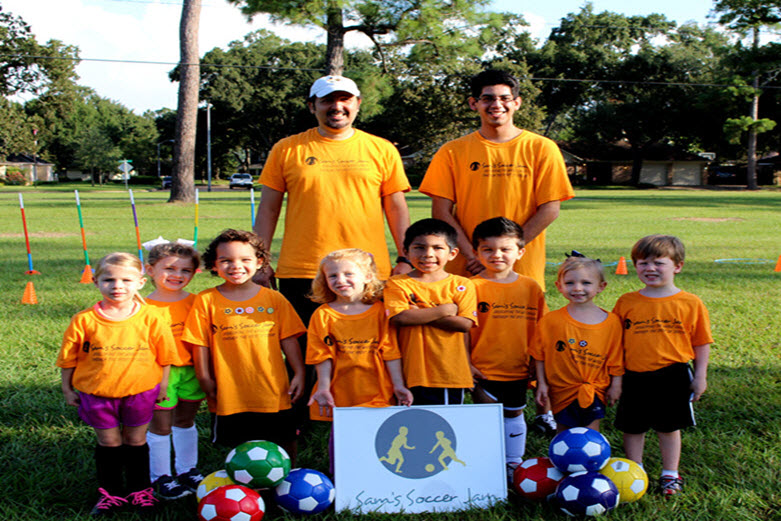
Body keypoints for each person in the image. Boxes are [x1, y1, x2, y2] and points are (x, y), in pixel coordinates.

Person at [254, 74, 411, 325]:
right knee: (306, 355)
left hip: (367, 270)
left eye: (344, 99)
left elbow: (396, 209)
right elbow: (268, 210)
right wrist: (258, 262)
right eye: (327, 100)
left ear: (358, 103)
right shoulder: (287, 149)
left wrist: (405, 259)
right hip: (303, 270)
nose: (337, 106)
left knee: (369, 352)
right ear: (312, 106)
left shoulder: (382, 149)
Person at [419, 69, 575, 291]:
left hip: (521, 265)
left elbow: (549, 209)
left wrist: (507, 252)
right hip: (468, 266)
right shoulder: (452, 151)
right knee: (465, 323)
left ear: (517, 103)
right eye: (488, 98)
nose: (497, 104)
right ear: (474, 103)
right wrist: (474, 255)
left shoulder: (542, 148)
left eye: (505, 98)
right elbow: (441, 213)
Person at [57, 253, 176, 516]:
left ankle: (140, 491)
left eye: (126, 279)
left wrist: (163, 387)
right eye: (108, 279)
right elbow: (69, 358)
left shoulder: (152, 317)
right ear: (95, 282)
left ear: (141, 282)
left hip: (141, 392)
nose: (117, 285)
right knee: (109, 442)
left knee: (136, 440)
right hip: (98, 393)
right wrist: (67, 388)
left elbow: (165, 356)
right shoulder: (84, 320)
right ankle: (110, 494)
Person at [181, 229, 306, 459]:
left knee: (284, 442)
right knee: (239, 451)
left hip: (273, 390)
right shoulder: (206, 300)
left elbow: (288, 338)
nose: (235, 266)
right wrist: (204, 378)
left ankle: (287, 482)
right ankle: (243, 490)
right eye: (226, 260)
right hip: (229, 393)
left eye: (245, 260)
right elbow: (200, 343)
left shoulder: (273, 298)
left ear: (259, 262)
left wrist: (298, 372)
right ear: (213, 264)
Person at [612, 235, 712, 497]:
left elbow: (702, 343)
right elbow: (614, 342)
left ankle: (670, 474)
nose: (650, 268)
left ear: (677, 266)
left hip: (673, 374)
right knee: (633, 426)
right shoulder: (626, 302)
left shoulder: (690, 303)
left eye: (659, 263)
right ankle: (636, 471)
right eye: (642, 263)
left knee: (668, 426)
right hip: (634, 374)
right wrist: (616, 379)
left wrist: (700, 376)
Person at [466, 217, 547, 475]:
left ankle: (513, 462)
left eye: (505, 249)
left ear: (520, 252)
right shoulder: (469, 287)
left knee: (514, 413)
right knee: (486, 417)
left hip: (517, 366)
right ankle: (487, 464)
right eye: (487, 249)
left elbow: (540, 329)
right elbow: (463, 330)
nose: (496, 255)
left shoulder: (531, 287)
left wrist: (536, 360)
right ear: (476, 252)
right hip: (481, 368)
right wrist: (465, 363)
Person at [306, 248, 413, 420]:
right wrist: (323, 388)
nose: (341, 280)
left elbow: (390, 351)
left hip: (378, 392)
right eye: (333, 276)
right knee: (342, 443)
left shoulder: (380, 312)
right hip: (340, 392)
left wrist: (398, 385)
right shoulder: (322, 315)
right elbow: (321, 355)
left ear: (367, 277)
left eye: (349, 274)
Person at [383, 218, 477, 406]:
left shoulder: (462, 284)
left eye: (437, 248)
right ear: (406, 252)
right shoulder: (397, 283)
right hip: (408, 371)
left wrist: (420, 313)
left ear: (452, 253)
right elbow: (400, 318)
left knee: (443, 430)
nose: (428, 254)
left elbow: (464, 324)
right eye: (419, 247)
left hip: (447, 373)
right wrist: (445, 310)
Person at [530, 255, 623, 435]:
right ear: (559, 286)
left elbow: (616, 357)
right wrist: (541, 383)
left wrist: (616, 384)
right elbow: (539, 355)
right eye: (570, 283)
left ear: (601, 287)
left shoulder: (612, 322)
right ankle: (561, 462)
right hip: (561, 389)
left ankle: (591, 462)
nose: (578, 288)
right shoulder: (550, 321)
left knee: (589, 434)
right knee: (563, 432)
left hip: (594, 389)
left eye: (586, 283)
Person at [143, 241, 204, 500]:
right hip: (159, 374)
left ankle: (187, 469)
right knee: (160, 425)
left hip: (192, 371)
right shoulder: (142, 307)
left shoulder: (197, 302)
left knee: (185, 421)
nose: (178, 275)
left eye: (186, 271)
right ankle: (160, 476)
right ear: (149, 269)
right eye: (169, 268)